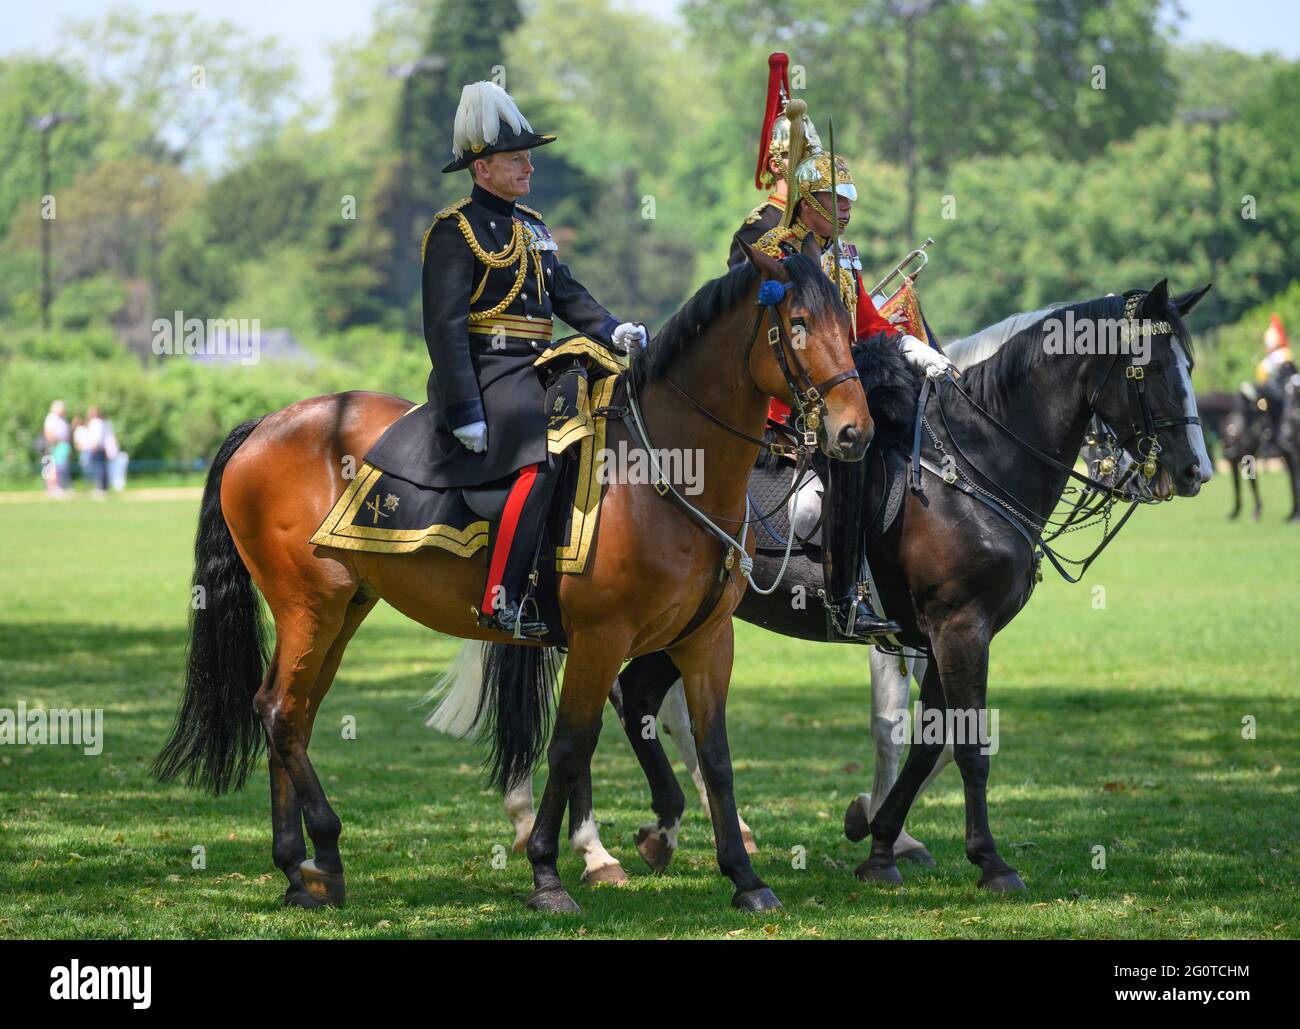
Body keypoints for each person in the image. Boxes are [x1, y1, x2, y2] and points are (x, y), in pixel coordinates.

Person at [364, 81, 645, 639]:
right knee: (537, 462)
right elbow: (443, 329)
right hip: (484, 373)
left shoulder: (533, 226)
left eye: (528, 158)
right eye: (516, 159)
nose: (528, 168)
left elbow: (566, 293)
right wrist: (465, 407)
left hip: (534, 366)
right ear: (481, 168)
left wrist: (614, 330)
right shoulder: (453, 229)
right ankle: (501, 597)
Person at [734, 71, 953, 643]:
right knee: (849, 468)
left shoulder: (844, 255)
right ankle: (844, 596)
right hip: (799, 397)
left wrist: (909, 345)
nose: (848, 209)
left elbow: (867, 322)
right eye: (837, 199)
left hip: (846, 384)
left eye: (851, 199)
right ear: (808, 202)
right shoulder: (772, 246)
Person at [42, 400, 71, 497]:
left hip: (62, 446)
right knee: (51, 467)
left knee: (60, 467)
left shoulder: (62, 419)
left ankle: (59, 487)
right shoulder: (51, 418)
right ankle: (52, 488)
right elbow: (49, 433)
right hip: (53, 445)